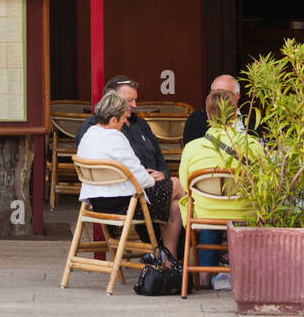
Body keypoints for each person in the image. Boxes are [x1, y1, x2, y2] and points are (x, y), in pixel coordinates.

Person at [76, 75, 184, 256]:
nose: (134, 105)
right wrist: (150, 178)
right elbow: (121, 168)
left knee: (175, 204)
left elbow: (158, 155)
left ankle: (166, 258)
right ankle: (172, 256)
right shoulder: (104, 129)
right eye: (129, 101)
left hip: (121, 194)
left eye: (135, 99)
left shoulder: (139, 124)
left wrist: (162, 174)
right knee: (179, 192)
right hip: (127, 196)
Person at [178, 89, 262, 288]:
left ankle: (205, 278)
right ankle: (247, 277)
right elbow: (264, 181)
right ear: (235, 115)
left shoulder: (192, 148)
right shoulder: (252, 145)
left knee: (207, 211)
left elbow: (185, 185)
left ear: (207, 116)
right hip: (244, 211)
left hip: (205, 213)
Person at [182, 74, 252, 146]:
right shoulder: (196, 119)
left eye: (225, 95)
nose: (218, 99)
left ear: (237, 96)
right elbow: (191, 149)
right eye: (214, 94)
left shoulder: (251, 119)